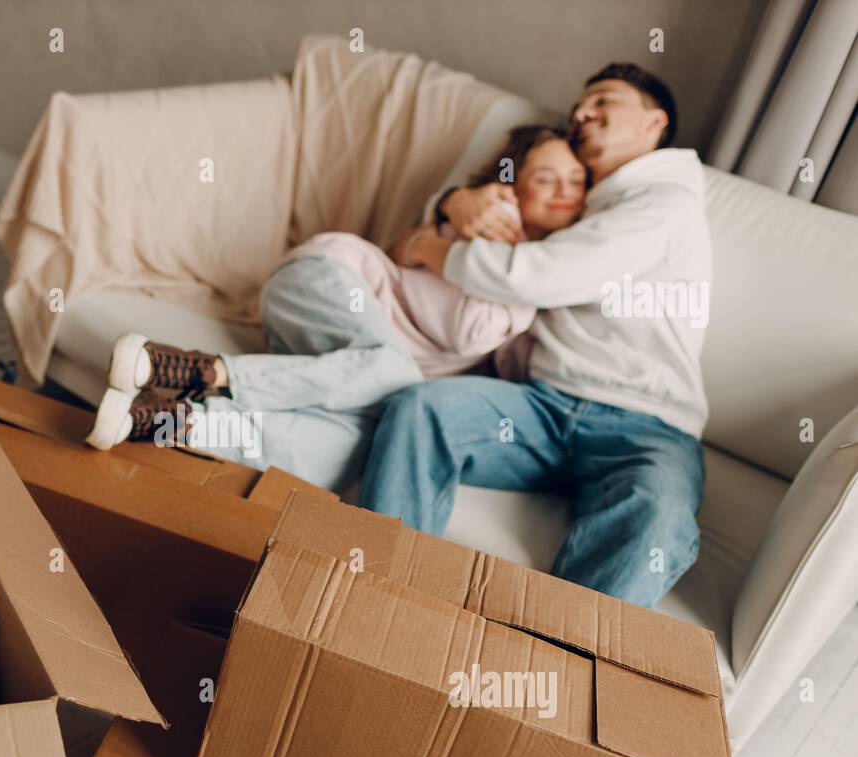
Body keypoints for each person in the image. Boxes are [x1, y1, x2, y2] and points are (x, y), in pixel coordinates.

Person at [361, 63, 711, 609]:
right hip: (543, 411)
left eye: (603, 101)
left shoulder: (663, 206)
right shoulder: (586, 197)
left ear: (654, 122)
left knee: (659, 513)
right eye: (578, 106)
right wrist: (453, 201)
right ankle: (375, 601)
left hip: (646, 427)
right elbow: (501, 200)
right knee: (421, 410)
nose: (581, 114)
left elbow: (541, 274)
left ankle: (541, 669)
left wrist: (438, 250)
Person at [84, 125, 588, 493]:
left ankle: (172, 419)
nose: (565, 191)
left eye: (576, 180)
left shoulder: (539, 273)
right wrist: (525, 284)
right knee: (395, 377)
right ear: (512, 182)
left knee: (353, 451)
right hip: (326, 282)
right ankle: (206, 369)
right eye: (547, 178)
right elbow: (466, 329)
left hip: (340, 359)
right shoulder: (492, 222)